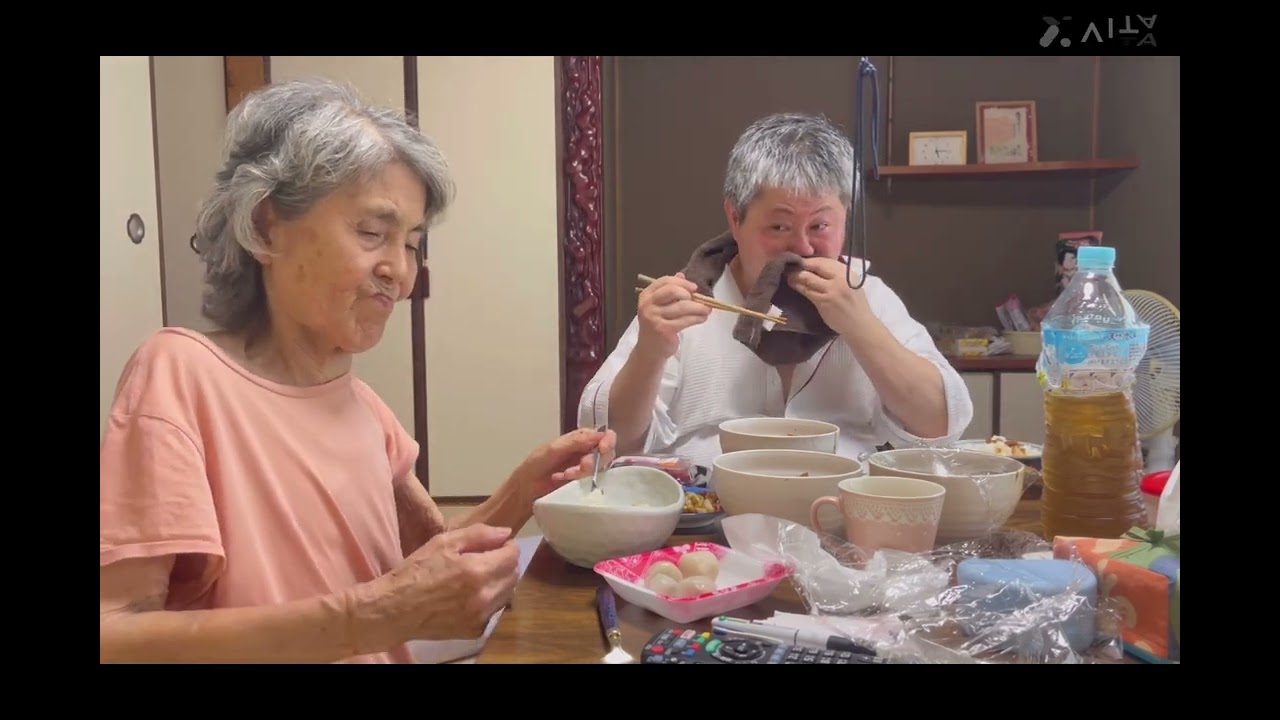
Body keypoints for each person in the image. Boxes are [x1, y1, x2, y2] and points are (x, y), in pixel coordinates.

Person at [99, 78, 616, 664]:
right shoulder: (180, 376)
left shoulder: (363, 406)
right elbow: (114, 637)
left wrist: (525, 489)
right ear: (267, 227)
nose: (399, 270)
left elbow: (426, 570)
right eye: (372, 233)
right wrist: (368, 616)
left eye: (413, 244)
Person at [578, 112, 972, 468]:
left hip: (842, 519)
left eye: (820, 226)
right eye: (780, 227)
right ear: (735, 218)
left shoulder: (868, 296)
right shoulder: (687, 299)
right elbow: (608, 440)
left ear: (845, 216)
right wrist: (650, 350)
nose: (802, 248)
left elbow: (941, 424)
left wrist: (861, 326)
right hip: (707, 523)